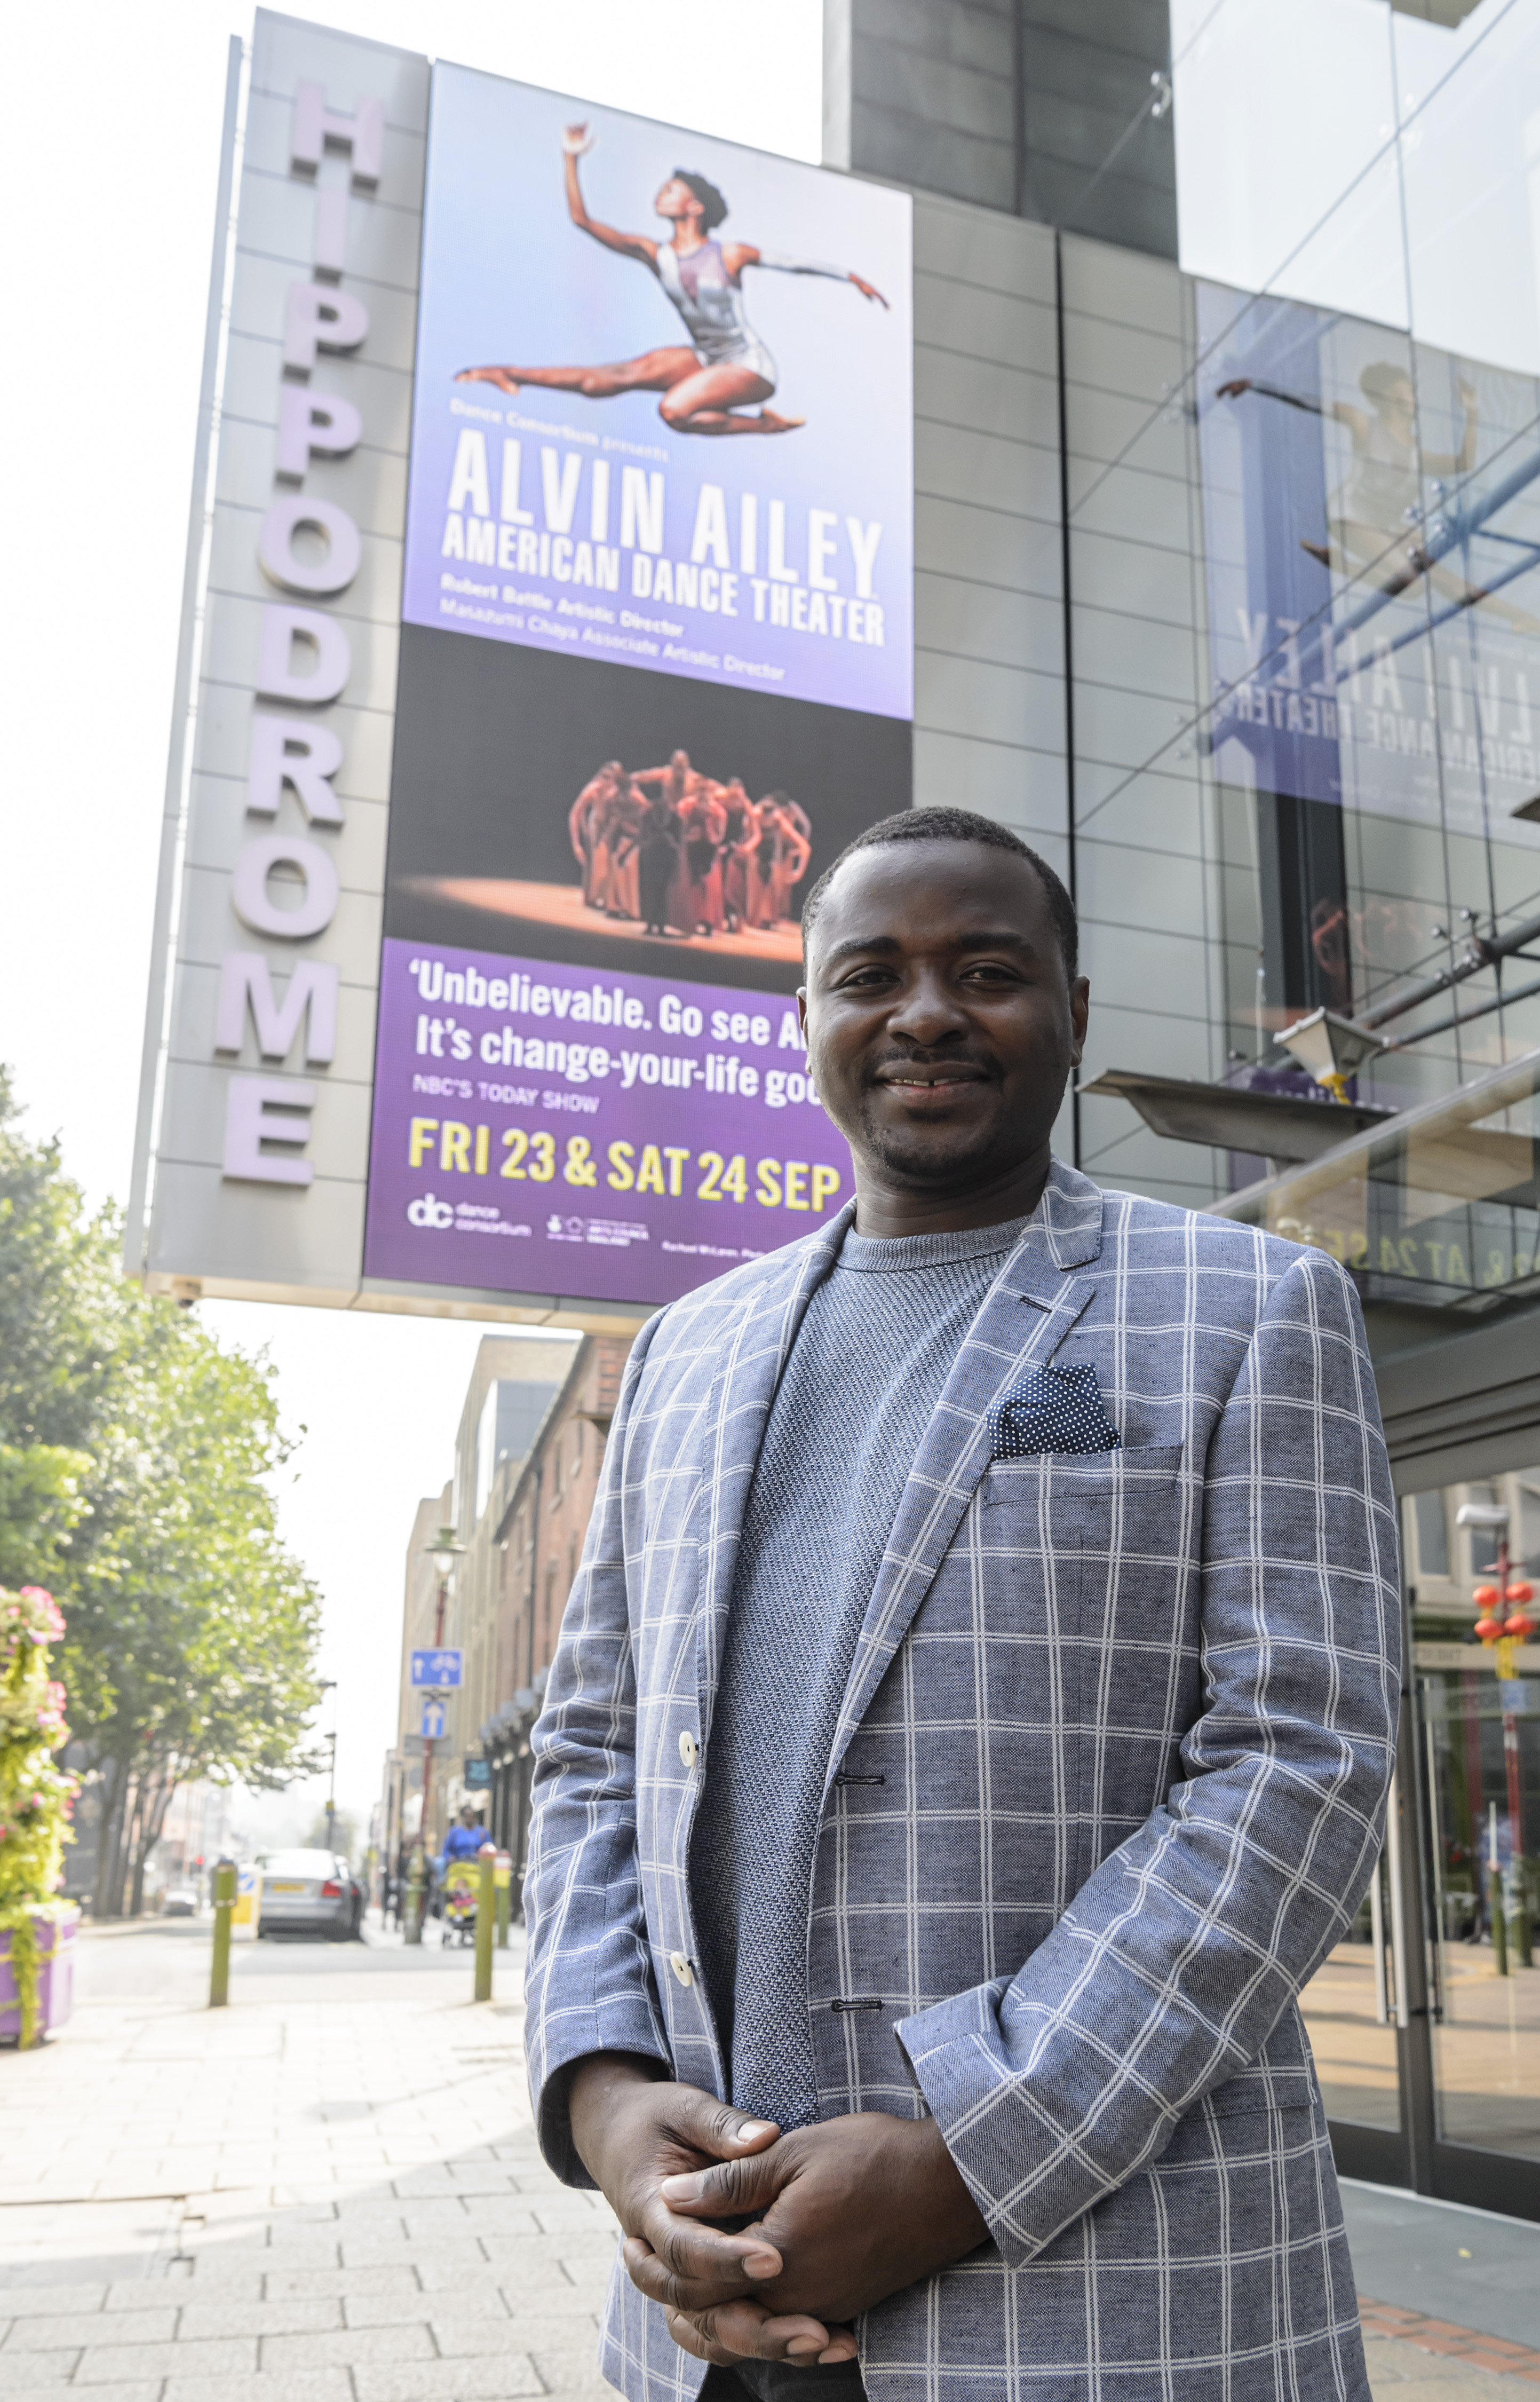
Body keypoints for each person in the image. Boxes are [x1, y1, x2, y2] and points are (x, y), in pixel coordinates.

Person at [522, 805, 1400, 2401]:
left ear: (1075, 1012)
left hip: (1109, 2305)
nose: (924, 1012)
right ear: (804, 1018)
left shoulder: (1253, 1304)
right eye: (871, 974)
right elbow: (588, 1752)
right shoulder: (681, 1354)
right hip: (703, 2307)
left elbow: (1298, 1759)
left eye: (985, 971)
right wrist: (603, 2093)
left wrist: (970, 2152)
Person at [457, 125, 887, 437]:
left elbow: (791, 264)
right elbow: (582, 220)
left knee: (674, 410)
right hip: (705, 358)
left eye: (672, 190)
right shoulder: (655, 254)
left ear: (695, 207)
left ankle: (763, 426)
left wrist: (852, 278)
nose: (661, 193)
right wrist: (571, 158)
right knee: (614, 377)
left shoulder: (730, 254)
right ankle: (506, 373)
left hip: (748, 366)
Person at [1217, 361, 1538, 631]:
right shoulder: (1363, 424)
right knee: (1413, 584)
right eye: (1404, 393)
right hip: (1350, 518)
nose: (1412, 399)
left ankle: (1517, 616)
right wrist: (1256, 386)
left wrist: (1473, 412)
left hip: (1387, 525)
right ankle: (1340, 563)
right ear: (1389, 399)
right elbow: (1308, 402)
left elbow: (1463, 463)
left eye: (1410, 392)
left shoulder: (1416, 455)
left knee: (1438, 577)